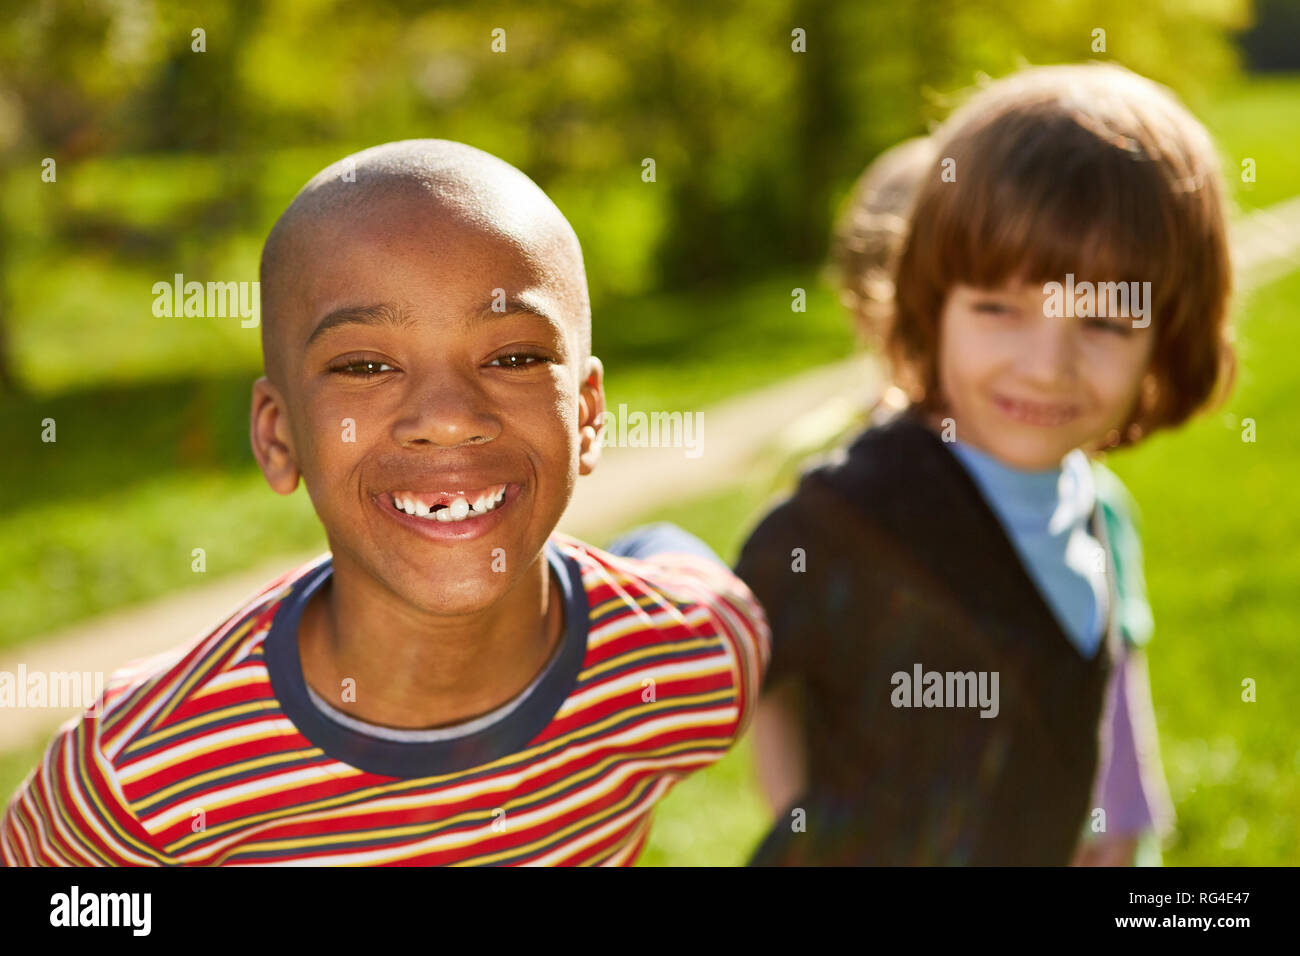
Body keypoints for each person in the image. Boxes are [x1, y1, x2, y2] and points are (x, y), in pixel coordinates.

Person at [0, 140, 768, 866]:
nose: (448, 416)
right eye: (365, 364)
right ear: (278, 437)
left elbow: (702, 585)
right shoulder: (135, 775)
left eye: (514, 356)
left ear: (589, 413)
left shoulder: (687, 661)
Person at [738, 63, 1232, 865]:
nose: (1047, 366)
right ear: (928, 306)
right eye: (999, 308)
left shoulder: (1089, 508)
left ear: (1166, 341)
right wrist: (804, 818)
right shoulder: (857, 515)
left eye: (1106, 320)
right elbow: (735, 656)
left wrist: (1112, 821)